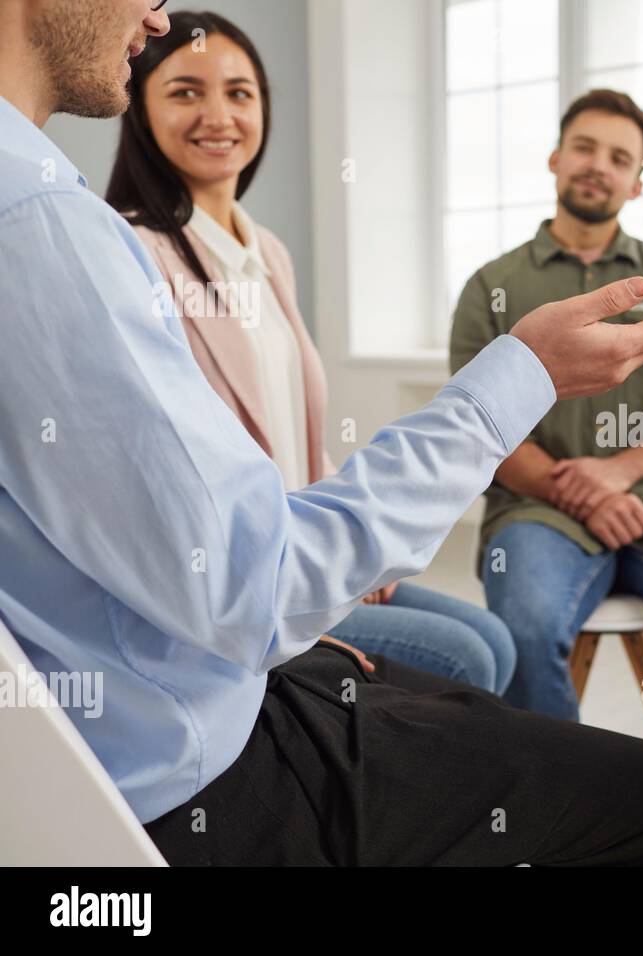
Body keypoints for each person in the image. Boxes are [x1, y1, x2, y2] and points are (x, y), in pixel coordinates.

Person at [0, 0, 643, 865]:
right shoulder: (51, 223)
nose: (154, 17)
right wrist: (526, 378)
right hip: (193, 743)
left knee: (494, 663)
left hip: (212, 640)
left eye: (240, 91)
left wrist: (616, 469)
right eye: (186, 90)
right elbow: (244, 581)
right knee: (638, 773)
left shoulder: (252, 251)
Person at [105, 10, 515, 695]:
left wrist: (358, 550)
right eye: (185, 92)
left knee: (496, 641)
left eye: (239, 92)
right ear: (140, 110)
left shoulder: (268, 253)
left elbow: (299, 438)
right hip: (242, 587)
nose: (218, 115)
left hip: (307, 547)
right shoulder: (131, 251)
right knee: (463, 658)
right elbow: (156, 473)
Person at [450, 89, 643, 790]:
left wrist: (618, 472)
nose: (599, 165)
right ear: (555, 158)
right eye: (585, 148)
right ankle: (567, 818)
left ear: (638, 182)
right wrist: (584, 492)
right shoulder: (492, 286)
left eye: (620, 157)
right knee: (525, 630)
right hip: (537, 510)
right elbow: (473, 423)